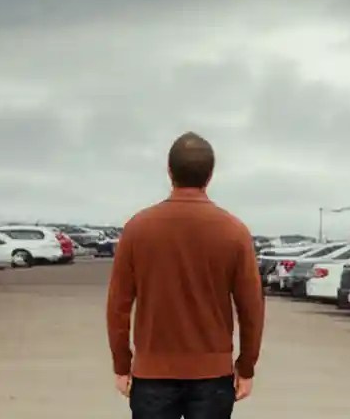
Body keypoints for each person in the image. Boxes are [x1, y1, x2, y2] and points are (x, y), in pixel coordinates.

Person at [106, 131, 265, 418]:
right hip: (213, 377)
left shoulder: (137, 228)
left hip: (152, 375)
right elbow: (251, 308)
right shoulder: (234, 231)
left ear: (169, 171)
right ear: (210, 174)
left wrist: (121, 364)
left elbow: (117, 306)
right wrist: (246, 366)